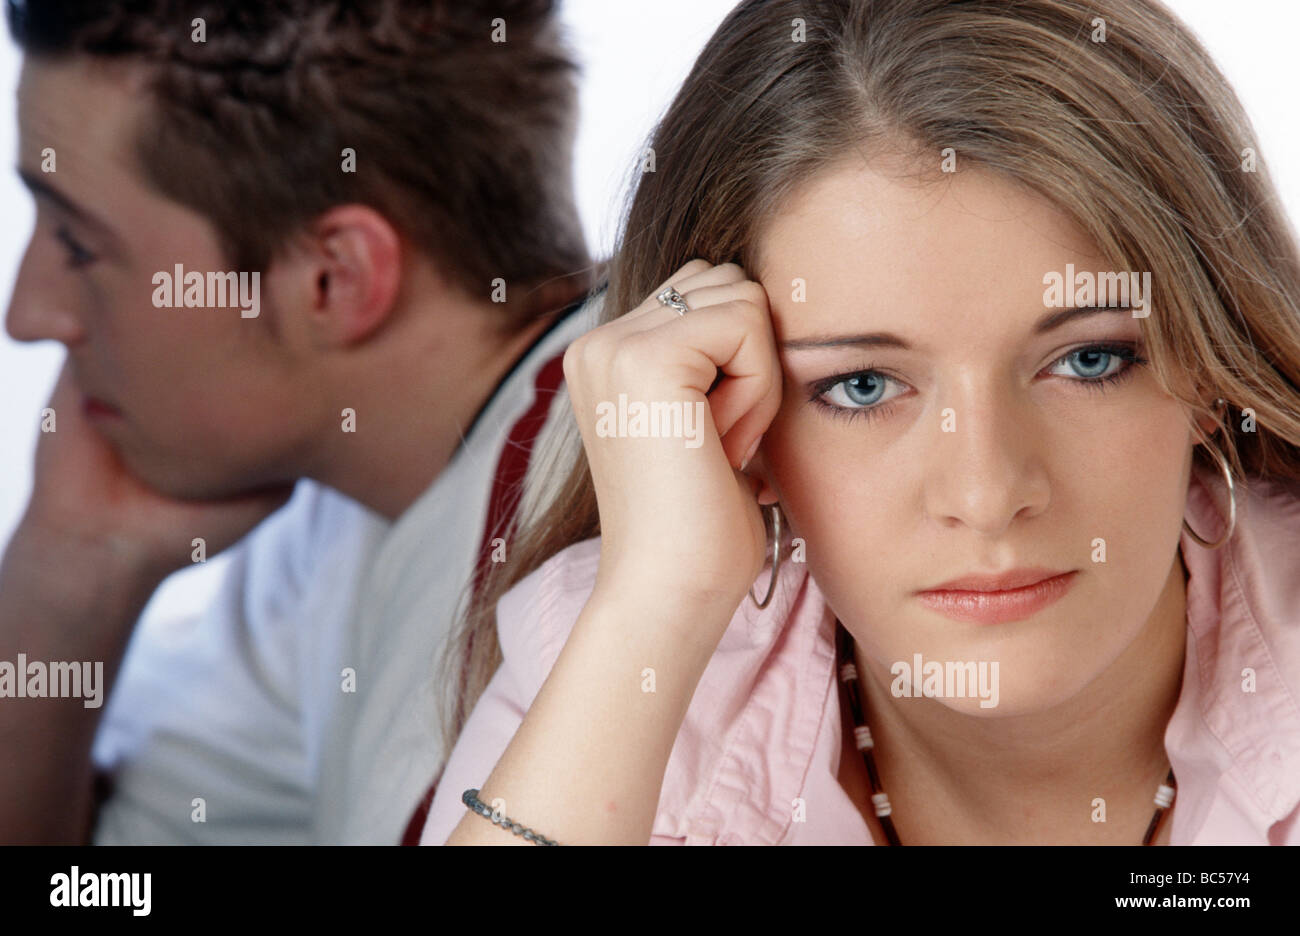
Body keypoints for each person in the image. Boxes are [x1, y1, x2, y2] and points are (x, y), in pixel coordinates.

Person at [422, 0, 1300, 846]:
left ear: (1209, 373)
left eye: (1089, 361)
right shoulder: (628, 642)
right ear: (740, 425)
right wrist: (656, 600)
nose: (985, 494)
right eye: (866, 385)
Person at [0, 0, 601, 844]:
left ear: (333, 280)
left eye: (78, 244)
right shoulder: (339, 525)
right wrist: (66, 575)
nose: (29, 315)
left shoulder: (602, 547)